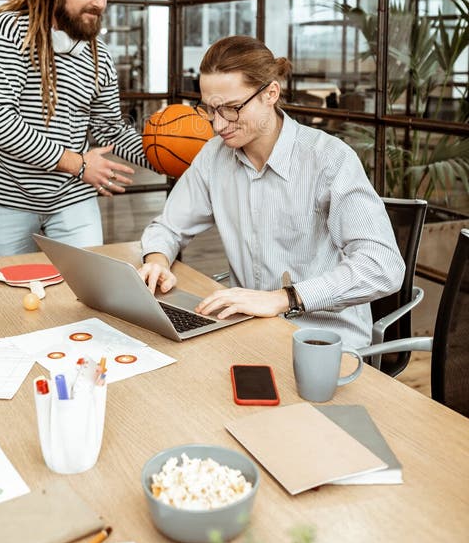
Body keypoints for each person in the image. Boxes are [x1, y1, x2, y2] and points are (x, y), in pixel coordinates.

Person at [138, 35, 405, 348]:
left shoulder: (328, 159)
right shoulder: (214, 156)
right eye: (210, 110)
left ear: (270, 94)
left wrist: (285, 298)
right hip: (248, 332)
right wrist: (156, 261)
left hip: (325, 343)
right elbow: (168, 227)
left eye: (232, 108)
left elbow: (383, 265)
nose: (219, 125)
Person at [0, 0, 150, 256]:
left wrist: (167, 157)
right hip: (7, 193)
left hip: (70, 194)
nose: (100, 3)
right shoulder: (6, 32)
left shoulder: (98, 55)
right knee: (16, 292)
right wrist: (77, 163)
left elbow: (108, 128)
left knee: (86, 287)